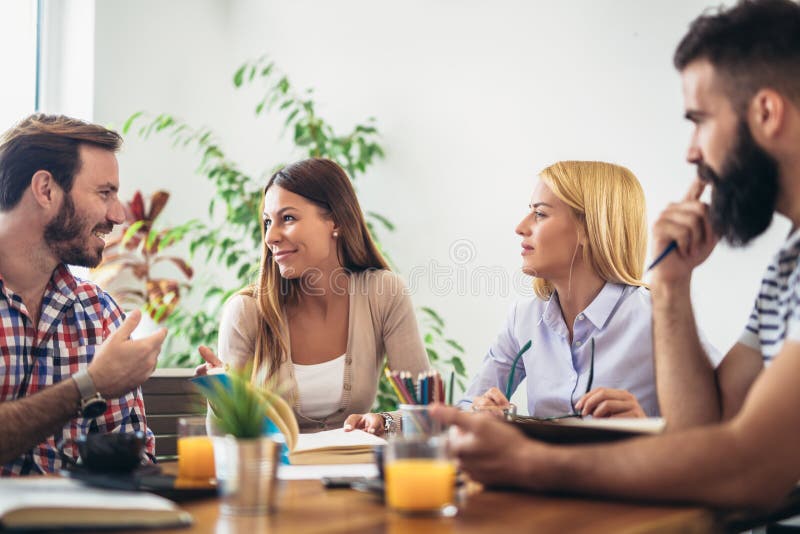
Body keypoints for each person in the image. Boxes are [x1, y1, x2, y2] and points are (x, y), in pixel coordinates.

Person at [432, 0, 800, 509]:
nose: (692, 152)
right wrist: (671, 285)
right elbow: (706, 436)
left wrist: (532, 463)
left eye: (700, 120)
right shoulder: (787, 269)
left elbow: (747, 468)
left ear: (766, 112)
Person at [462, 161, 720, 418]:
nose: (520, 227)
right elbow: (466, 408)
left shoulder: (658, 316)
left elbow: (722, 418)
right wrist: (481, 411)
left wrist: (648, 429)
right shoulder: (523, 317)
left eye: (540, 214)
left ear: (589, 228)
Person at [197, 158, 429, 434]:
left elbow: (426, 413)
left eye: (288, 218)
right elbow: (223, 440)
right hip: (275, 474)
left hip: (356, 474)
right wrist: (223, 402)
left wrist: (384, 421)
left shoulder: (383, 294)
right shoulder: (246, 312)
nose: (270, 236)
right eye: (268, 222)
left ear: (336, 222)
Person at [0, 114, 167, 475]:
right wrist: (88, 387)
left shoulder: (98, 312)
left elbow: (132, 463)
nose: (119, 214)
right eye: (104, 192)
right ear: (45, 190)